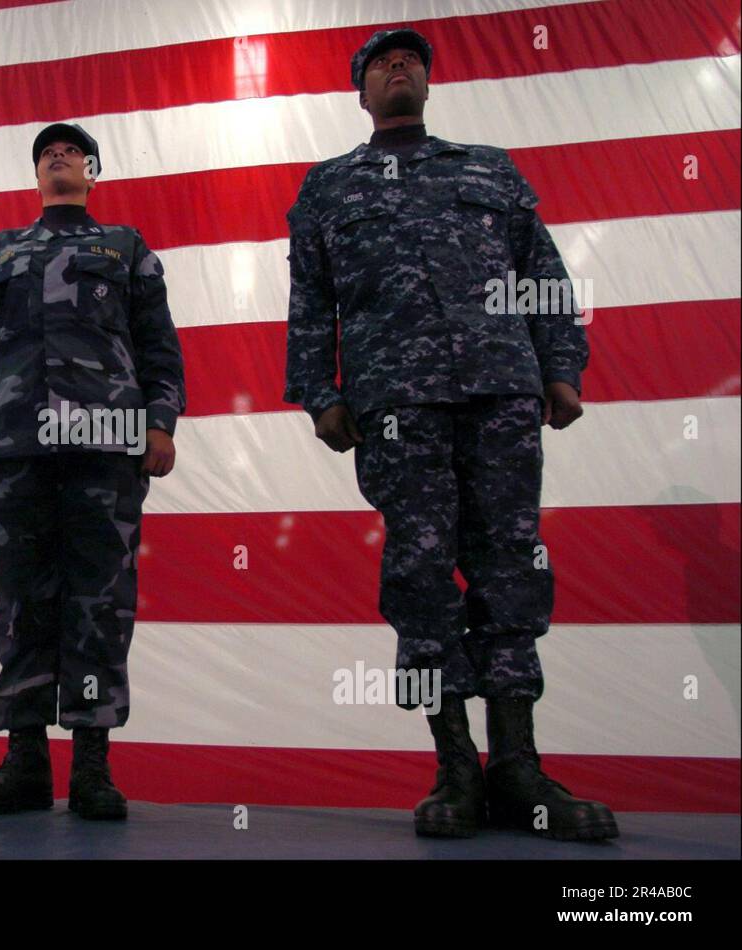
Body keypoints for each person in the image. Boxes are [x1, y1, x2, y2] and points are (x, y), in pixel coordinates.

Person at [284, 29, 617, 840]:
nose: (399, 69)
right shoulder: (328, 187)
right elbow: (309, 301)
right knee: (422, 577)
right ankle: (455, 767)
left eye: (412, 62)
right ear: (360, 90)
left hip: (501, 391)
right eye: (381, 64)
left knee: (511, 569)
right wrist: (319, 394)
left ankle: (519, 767)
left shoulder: (488, 167)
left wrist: (560, 367)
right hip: (397, 405)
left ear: (427, 84)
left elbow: (541, 272)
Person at [0, 123, 185, 820]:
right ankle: (24, 761)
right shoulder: (0, 251)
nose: (58, 155)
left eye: (71, 150)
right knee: (18, 601)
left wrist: (161, 422)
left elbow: (157, 345)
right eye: (47, 151)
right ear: (35, 173)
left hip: (105, 444)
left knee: (99, 600)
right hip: (17, 445)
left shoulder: (126, 247)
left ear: (91, 170)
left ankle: (91, 766)